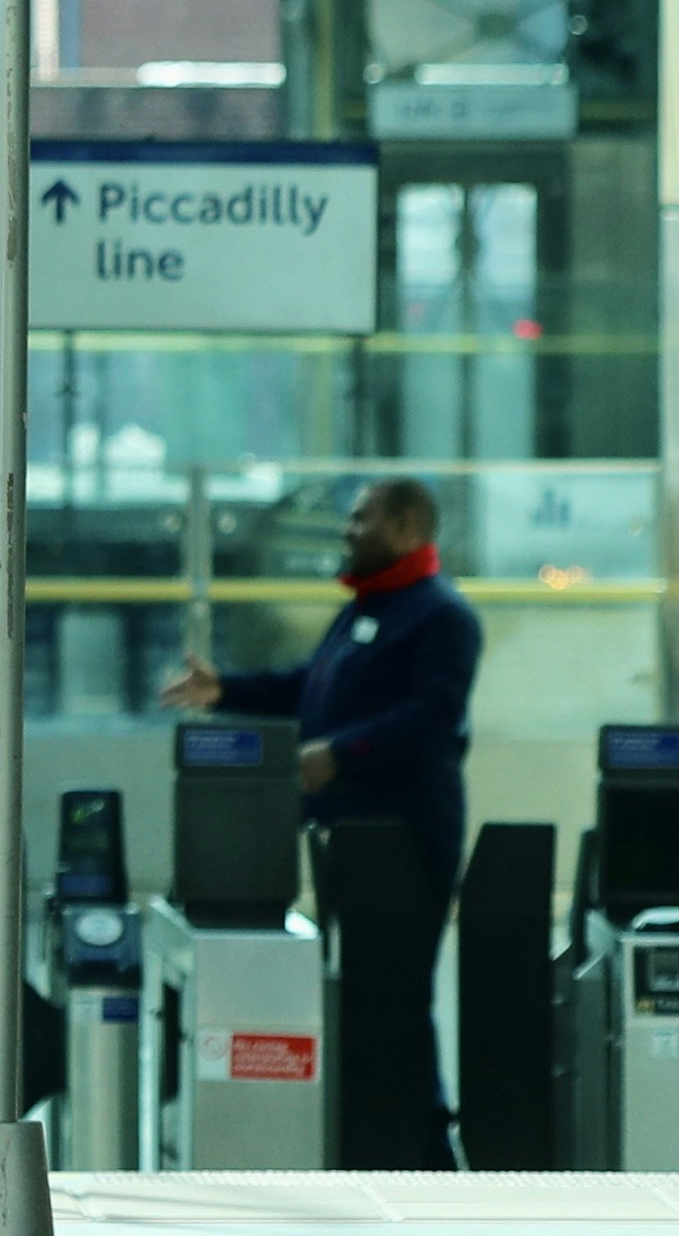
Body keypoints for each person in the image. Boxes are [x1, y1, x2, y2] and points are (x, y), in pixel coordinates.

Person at [166, 477, 481, 1155]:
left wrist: (341, 753)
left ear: (402, 527)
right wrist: (228, 691)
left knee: (395, 997)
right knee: (364, 994)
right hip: (351, 840)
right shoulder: (369, 610)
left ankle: (421, 1149)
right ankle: (371, 1138)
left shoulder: (440, 617)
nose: (347, 529)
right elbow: (312, 690)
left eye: (360, 518)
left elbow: (432, 716)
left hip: (402, 838)